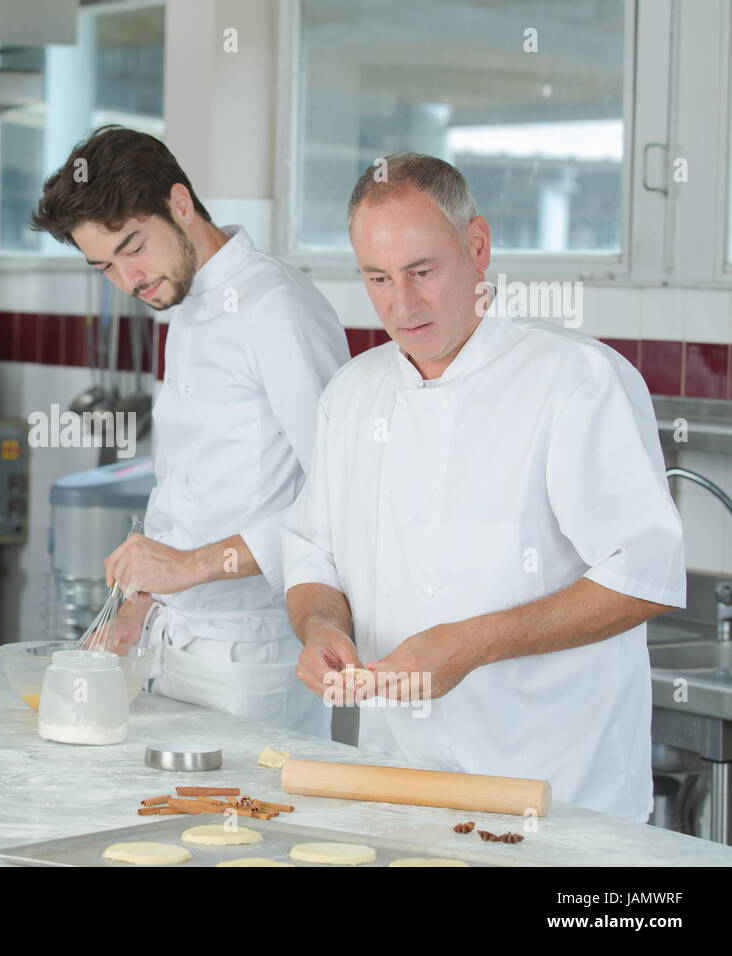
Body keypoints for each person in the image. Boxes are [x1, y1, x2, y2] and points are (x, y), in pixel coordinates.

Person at [281, 152, 685, 819]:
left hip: (556, 790)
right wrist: (321, 627)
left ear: (477, 247)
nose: (400, 304)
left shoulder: (574, 381)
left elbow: (644, 573)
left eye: (421, 271)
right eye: (377, 277)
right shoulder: (352, 394)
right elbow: (311, 554)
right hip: (400, 782)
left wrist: (473, 644)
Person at [31, 126, 349, 735]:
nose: (128, 280)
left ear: (179, 202)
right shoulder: (185, 302)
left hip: (251, 657)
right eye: (106, 266)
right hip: (173, 645)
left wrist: (191, 566)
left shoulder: (274, 307)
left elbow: (340, 498)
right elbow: (191, 486)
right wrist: (139, 603)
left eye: (133, 247)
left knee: (247, 828)